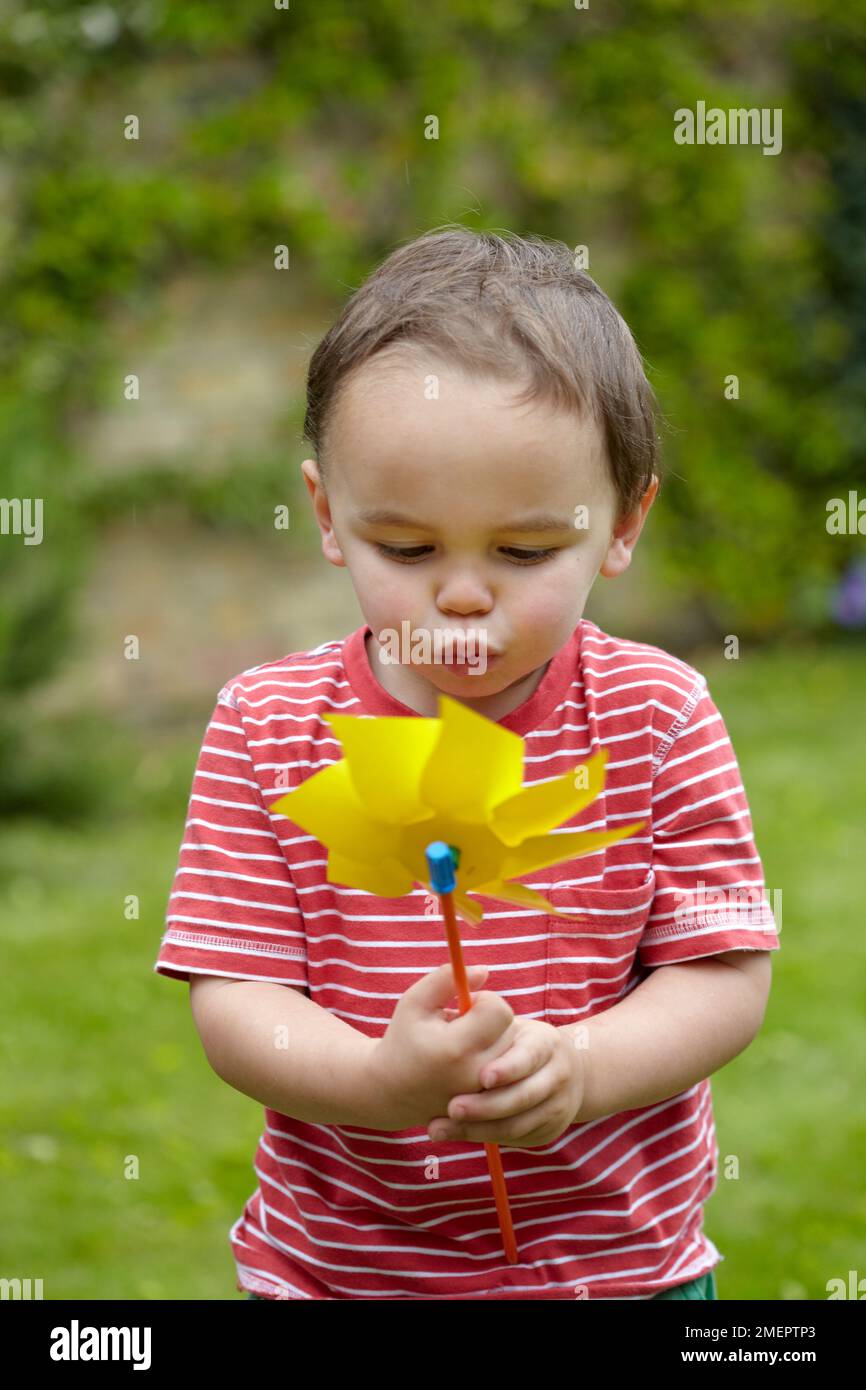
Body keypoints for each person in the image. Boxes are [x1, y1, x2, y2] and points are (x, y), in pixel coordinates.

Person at [153, 226, 779, 1301]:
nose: (460, 595)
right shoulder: (265, 725)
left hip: (620, 1271)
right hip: (345, 1274)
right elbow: (236, 992)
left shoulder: (657, 712)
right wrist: (371, 1081)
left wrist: (581, 1070)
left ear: (623, 522)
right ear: (327, 516)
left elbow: (720, 974)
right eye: (406, 547)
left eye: (524, 552)